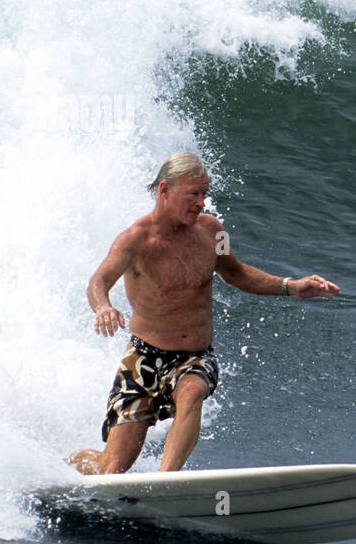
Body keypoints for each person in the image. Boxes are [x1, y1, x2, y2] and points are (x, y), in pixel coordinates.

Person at [67, 152, 340, 475]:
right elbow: (98, 281)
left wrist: (291, 286)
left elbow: (236, 273)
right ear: (165, 190)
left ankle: (167, 482)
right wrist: (104, 307)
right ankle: (72, 462)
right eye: (193, 194)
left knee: (193, 389)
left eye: (204, 193)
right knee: (111, 469)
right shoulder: (136, 240)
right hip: (143, 358)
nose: (201, 203)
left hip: (195, 355)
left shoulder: (212, 231)